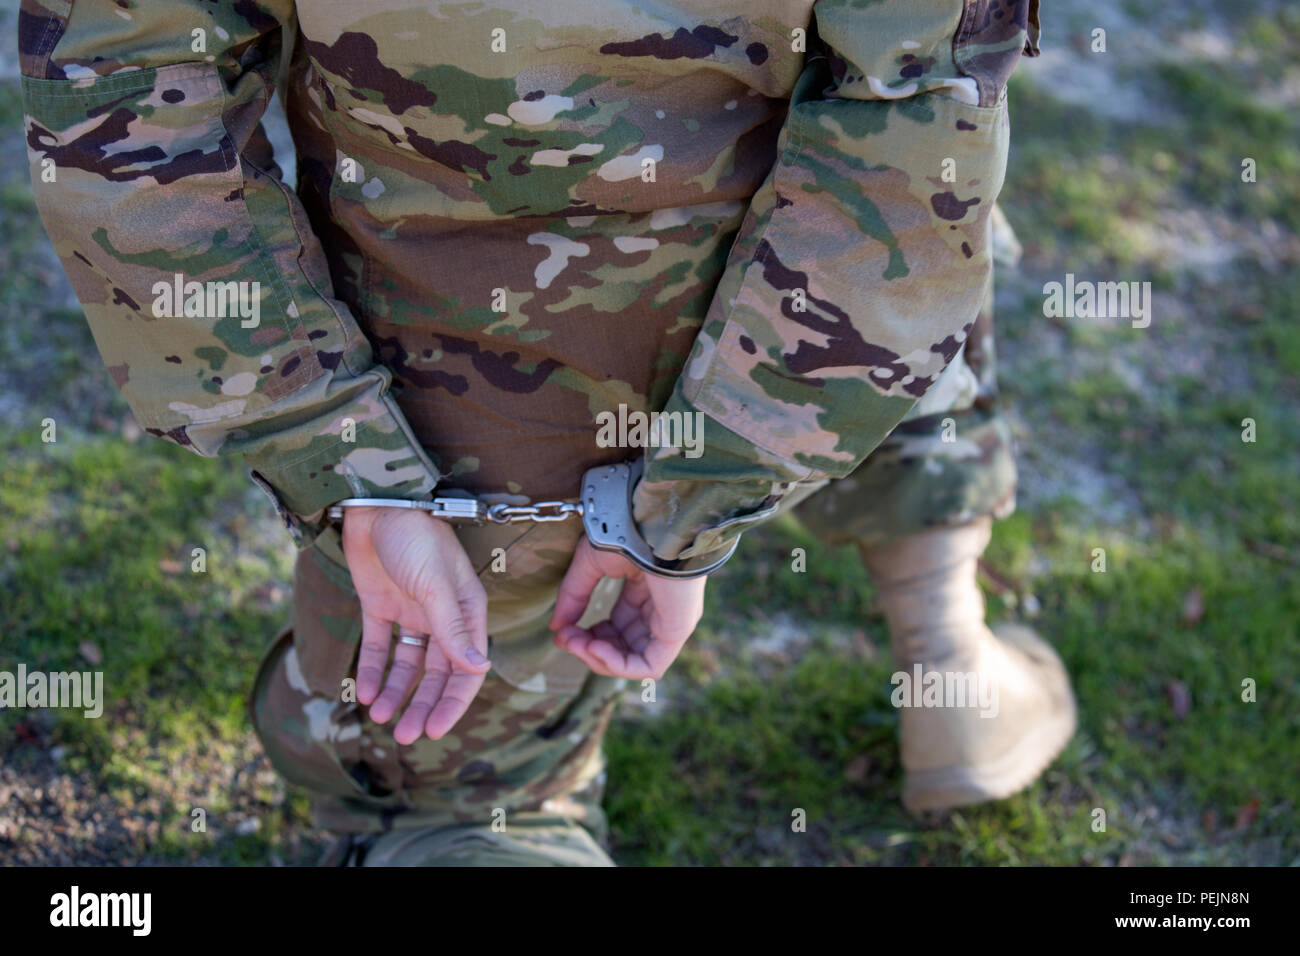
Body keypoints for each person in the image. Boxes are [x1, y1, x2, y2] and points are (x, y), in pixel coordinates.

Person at [20, 0, 1069, 865]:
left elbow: (131, 82)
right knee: (897, 146)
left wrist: (346, 460)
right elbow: (913, 137)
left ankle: (479, 822)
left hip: (460, 363)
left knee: (459, 793)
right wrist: (690, 502)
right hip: (732, 277)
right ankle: (945, 650)